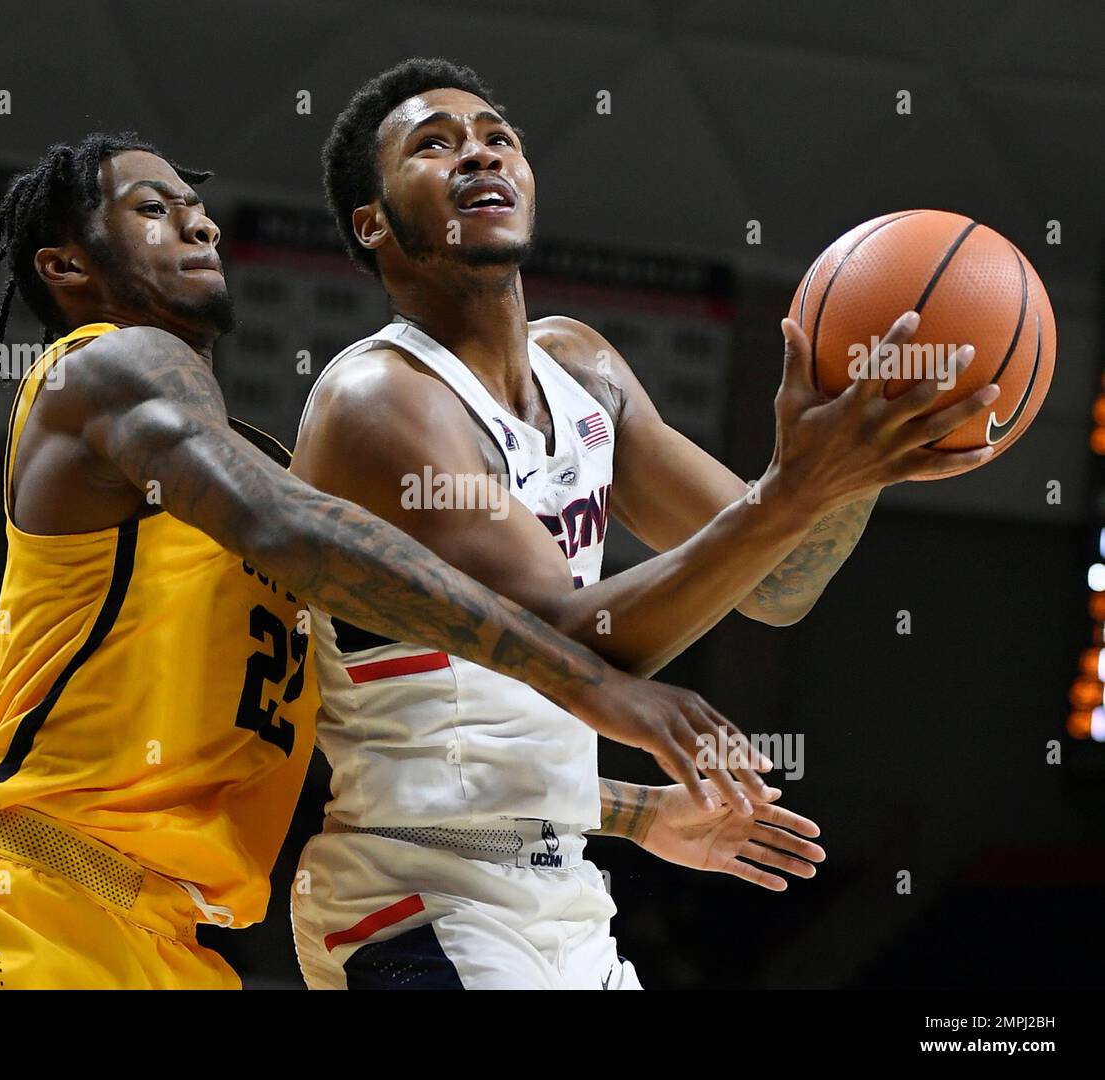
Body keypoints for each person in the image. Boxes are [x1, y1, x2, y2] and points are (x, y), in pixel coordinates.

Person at [0, 133, 765, 991]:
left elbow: (363, 737)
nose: (202, 223)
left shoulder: (243, 475)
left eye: (199, 207)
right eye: (154, 208)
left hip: (178, 944)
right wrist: (597, 684)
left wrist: (624, 812)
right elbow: (295, 531)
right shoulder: (104, 369)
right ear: (67, 266)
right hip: (31, 907)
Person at [289, 59, 997, 989]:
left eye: (498, 136)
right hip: (416, 896)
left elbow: (778, 585)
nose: (479, 153)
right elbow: (571, 648)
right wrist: (791, 489)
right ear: (372, 223)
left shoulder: (582, 368)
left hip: (566, 890)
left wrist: (854, 459)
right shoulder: (380, 398)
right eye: (435, 145)